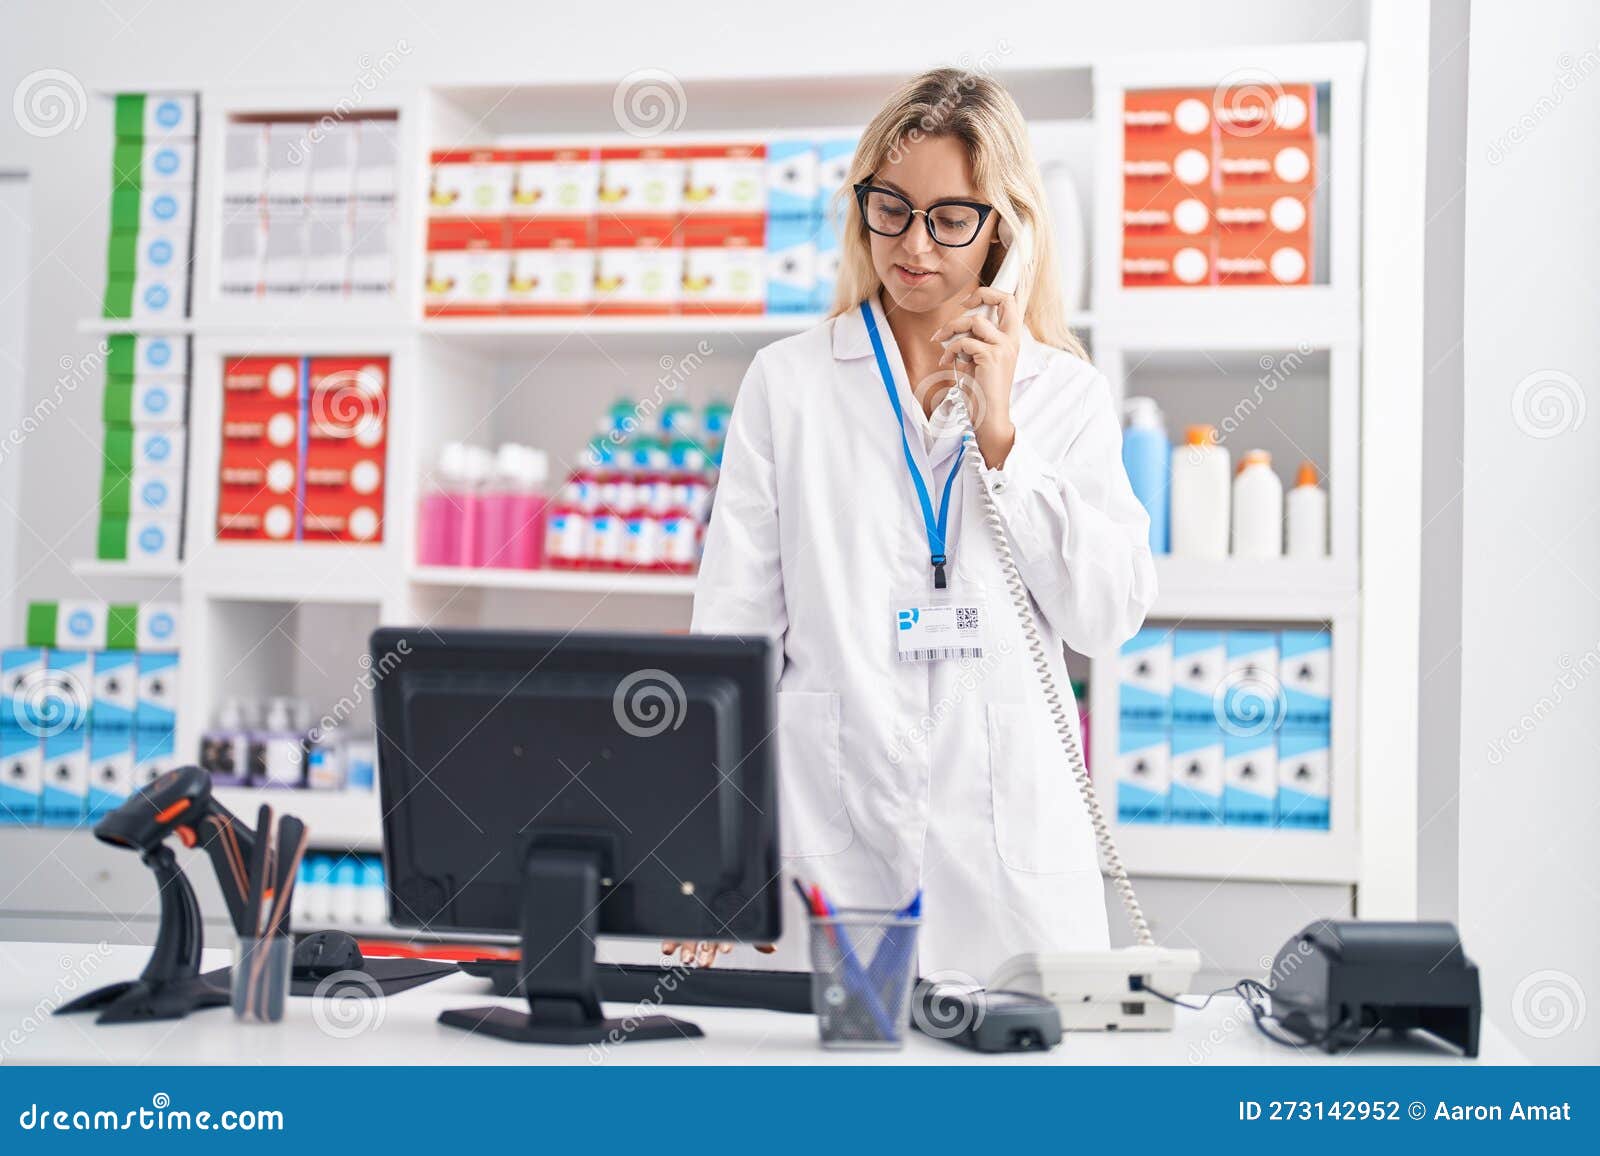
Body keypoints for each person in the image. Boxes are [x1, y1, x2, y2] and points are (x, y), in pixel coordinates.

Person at [666, 68, 1156, 980]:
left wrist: (1004, 440)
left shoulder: (1066, 395)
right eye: (890, 209)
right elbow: (732, 638)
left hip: (1011, 876)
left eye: (950, 218)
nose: (914, 243)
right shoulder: (790, 384)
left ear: (1005, 231)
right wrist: (717, 855)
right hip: (828, 853)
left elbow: (1108, 615)